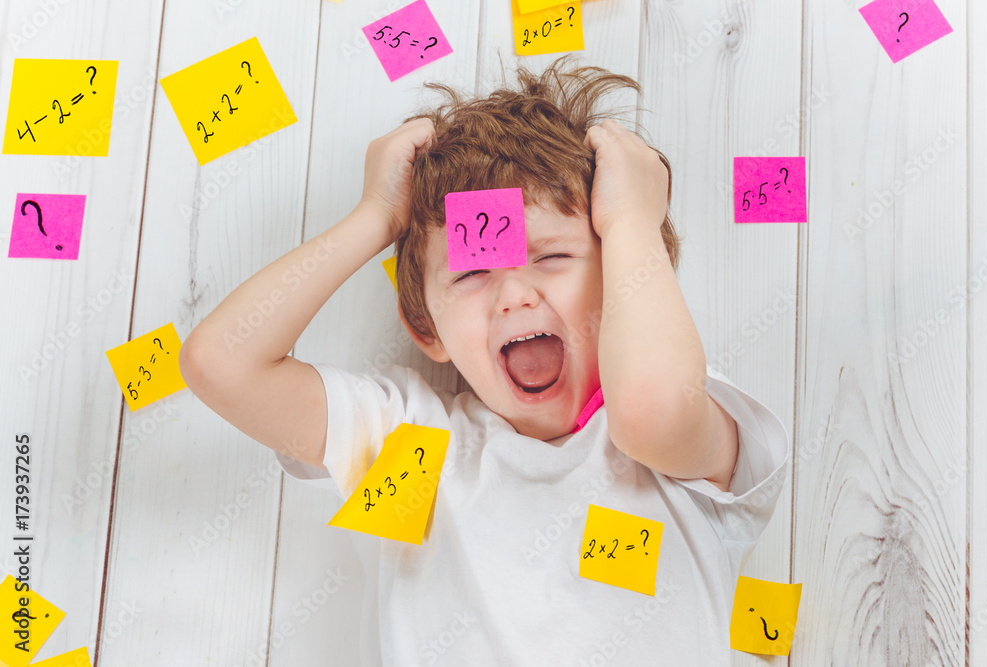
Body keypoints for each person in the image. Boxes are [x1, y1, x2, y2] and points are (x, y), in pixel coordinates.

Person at [180, 58, 789, 666]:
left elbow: (649, 408)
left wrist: (633, 221)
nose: (515, 294)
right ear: (427, 328)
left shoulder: (678, 439)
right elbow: (221, 364)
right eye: (473, 272)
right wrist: (376, 216)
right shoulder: (408, 437)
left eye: (552, 256)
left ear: (627, 276)